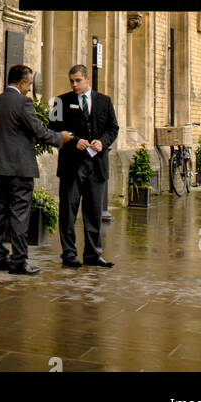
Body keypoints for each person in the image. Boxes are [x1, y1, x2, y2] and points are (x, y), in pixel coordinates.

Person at [0, 64, 71, 275]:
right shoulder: (24, 103)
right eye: (29, 84)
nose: (30, 88)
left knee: (0, 211)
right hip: (20, 168)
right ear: (22, 82)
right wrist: (61, 138)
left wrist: (3, 147)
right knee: (20, 213)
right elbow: (39, 131)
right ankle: (19, 260)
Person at [50, 63, 119, 268]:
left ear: (88, 79)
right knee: (68, 211)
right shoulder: (61, 102)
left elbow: (113, 128)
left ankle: (93, 254)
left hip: (96, 165)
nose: (74, 84)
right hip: (72, 164)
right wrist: (73, 139)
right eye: (72, 81)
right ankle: (69, 254)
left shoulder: (104, 101)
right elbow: (53, 127)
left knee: (93, 211)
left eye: (78, 80)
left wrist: (102, 142)